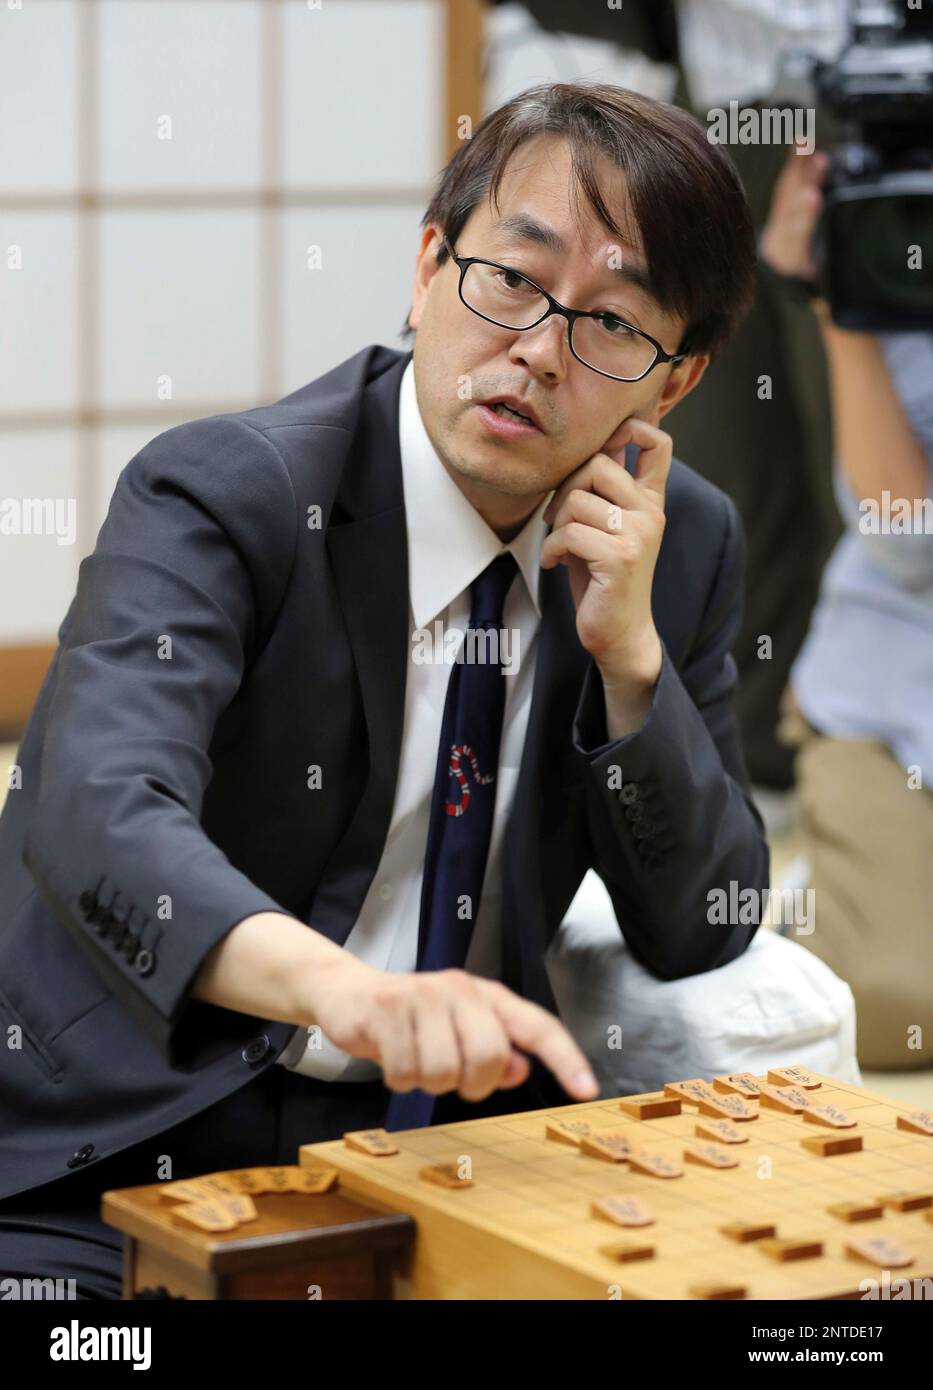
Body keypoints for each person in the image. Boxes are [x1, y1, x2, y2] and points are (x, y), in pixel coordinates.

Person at [0, 82, 767, 1298]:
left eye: (614, 324)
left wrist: (634, 669)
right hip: (120, 1158)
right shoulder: (225, 493)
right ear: (427, 269)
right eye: (513, 279)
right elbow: (95, 806)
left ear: (671, 387)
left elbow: (706, 921)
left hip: (464, 1163)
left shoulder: (679, 546)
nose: (538, 350)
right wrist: (354, 996)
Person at [760, 142, 933, 1070]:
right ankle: (809, 898)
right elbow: (906, 529)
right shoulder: (897, 240)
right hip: (896, 684)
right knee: (890, 1004)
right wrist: (837, 300)